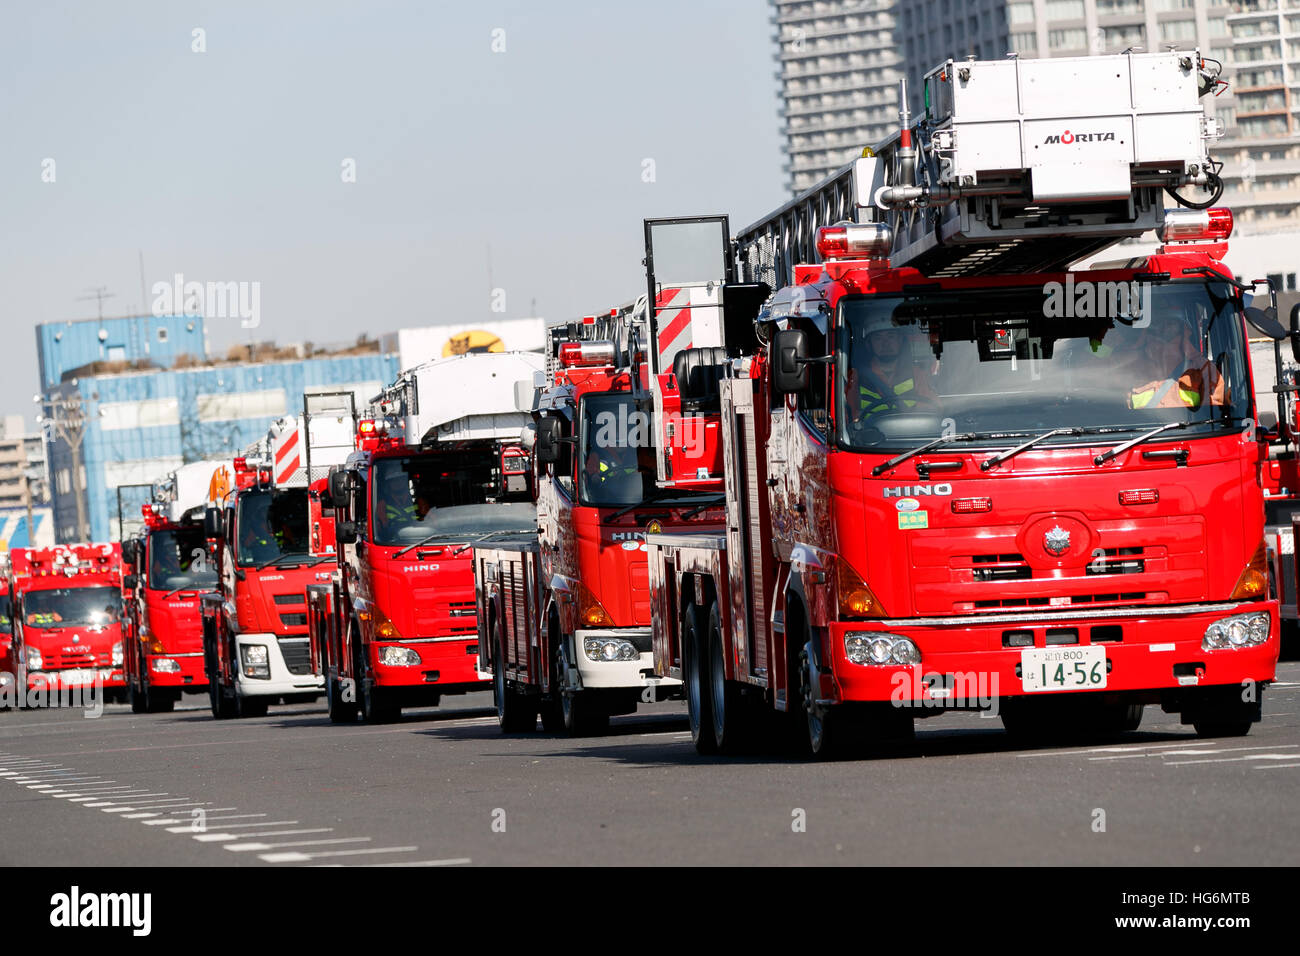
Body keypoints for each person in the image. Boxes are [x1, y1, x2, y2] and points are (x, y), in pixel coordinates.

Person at [844, 316, 938, 425]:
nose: (885, 344)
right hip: (868, 439)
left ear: (900, 340)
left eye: (891, 336)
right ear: (869, 344)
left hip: (908, 435)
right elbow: (848, 417)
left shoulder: (917, 373)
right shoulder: (855, 376)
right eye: (878, 338)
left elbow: (931, 410)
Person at [1128, 311, 1226, 410]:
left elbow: (1214, 413)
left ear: (1182, 327)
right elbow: (1118, 409)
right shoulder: (1134, 365)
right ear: (1149, 328)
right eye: (1159, 322)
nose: (1165, 327)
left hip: (1194, 425)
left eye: (1171, 322)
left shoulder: (1202, 368)